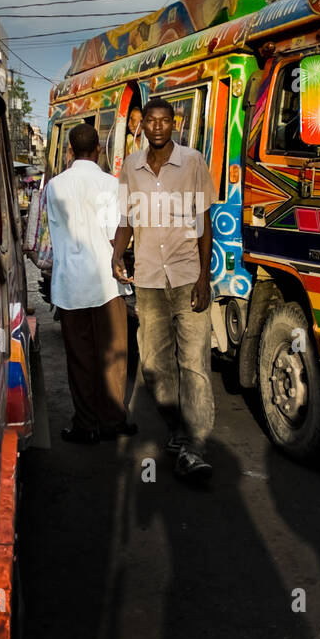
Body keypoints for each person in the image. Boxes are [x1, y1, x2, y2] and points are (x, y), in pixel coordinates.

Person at [110, 98, 215, 483]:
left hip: (188, 275)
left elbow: (205, 222)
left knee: (194, 363)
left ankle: (195, 445)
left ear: (175, 124)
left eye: (164, 121)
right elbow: (125, 219)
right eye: (150, 121)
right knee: (155, 365)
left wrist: (205, 277)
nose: (156, 126)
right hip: (150, 280)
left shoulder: (193, 162)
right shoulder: (130, 170)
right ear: (143, 127)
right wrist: (118, 253)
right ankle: (177, 428)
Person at [45, 124, 135, 444]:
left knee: (80, 357)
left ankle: (86, 425)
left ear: (70, 151)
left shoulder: (53, 187)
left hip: (70, 284)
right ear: (98, 149)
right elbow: (116, 235)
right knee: (113, 353)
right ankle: (112, 419)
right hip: (107, 284)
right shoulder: (111, 184)